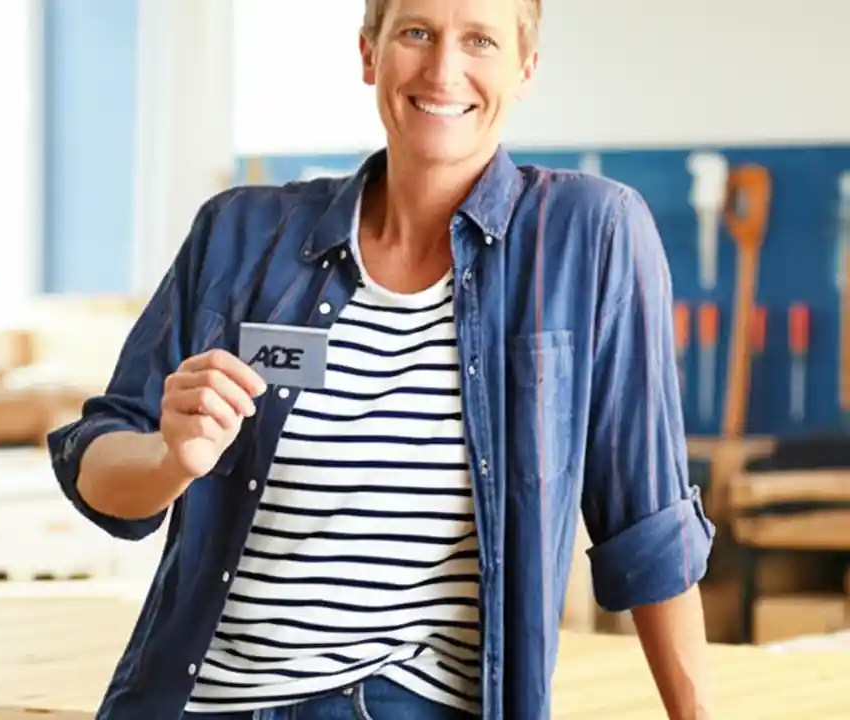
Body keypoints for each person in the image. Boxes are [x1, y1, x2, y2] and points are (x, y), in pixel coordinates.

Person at [46, 0, 716, 717]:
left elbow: (646, 528)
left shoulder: (588, 236)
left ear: (526, 68)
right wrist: (170, 460)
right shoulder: (239, 235)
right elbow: (100, 460)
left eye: (480, 40)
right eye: (416, 33)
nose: (443, 69)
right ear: (370, 53)